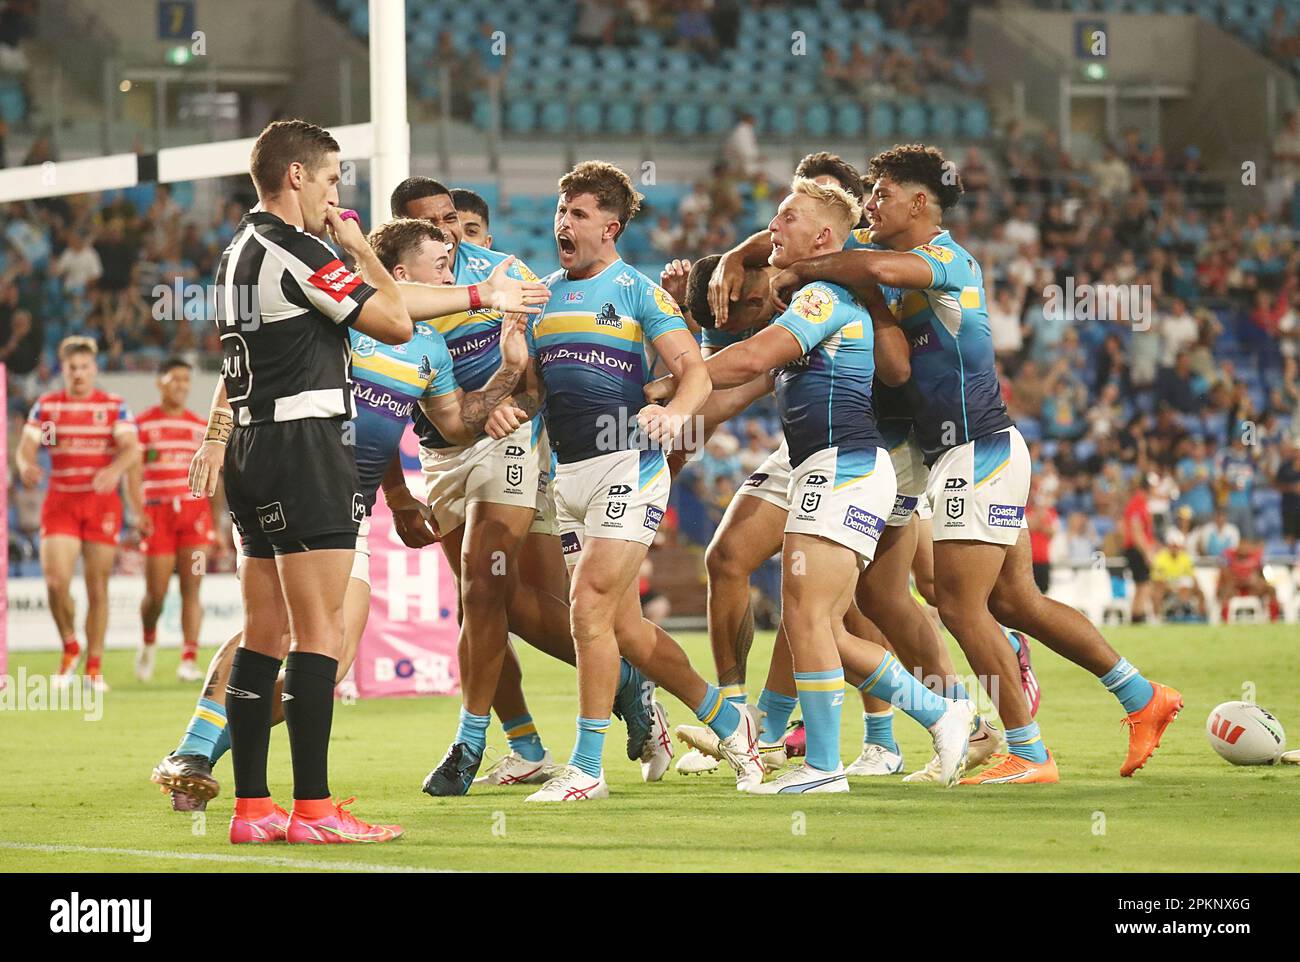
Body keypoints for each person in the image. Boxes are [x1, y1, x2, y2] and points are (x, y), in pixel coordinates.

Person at [765, 143, 1182, 782]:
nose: (871, 203)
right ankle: (1140, 696)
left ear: (920, 202)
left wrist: (809, 265)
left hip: (977, 447)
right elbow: (851, 265)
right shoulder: (888, 266)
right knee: (1016, 601)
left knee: (961, 605)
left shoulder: (945, 259)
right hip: (950, 452)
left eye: (882, 194)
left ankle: (1028, 751)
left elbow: (863, 263)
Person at [185, 119, 548, 846]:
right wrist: (477, 294)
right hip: (305, 443)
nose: (334, 191)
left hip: (255, 446)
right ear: (296, 176)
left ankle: (252, 809)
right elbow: (388, 319)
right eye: (329, 176)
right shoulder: (298, 250)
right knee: (320, 636)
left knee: (263, 636)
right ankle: (315, 811)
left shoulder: (235, 251)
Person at [484, 160, 764, 800]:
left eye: (578, 214)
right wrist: (508, 395)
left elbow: (694, 370)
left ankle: (586, 769)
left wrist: (674, 413)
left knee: (586, 609)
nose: (564, 223)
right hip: (570, 475)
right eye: (561, 212)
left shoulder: (639, 292)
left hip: (627, 466)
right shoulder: (540, 294)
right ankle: (730, 722)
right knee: (628, 631)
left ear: (609, 226)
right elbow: (533, 391)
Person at [386, 177, 658, 795]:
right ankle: (599, 698)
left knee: (483, 585)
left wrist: (522, 406)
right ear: (409, 234)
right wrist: (398, 493)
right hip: (442, 451)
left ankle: (469, 743)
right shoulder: (386, 293)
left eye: (453, 219)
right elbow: (375, 402)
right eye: (433, 226)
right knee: (496, 603)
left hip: (507, 435)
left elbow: (543, 368)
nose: (449, 234)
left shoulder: (502, 276)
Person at [15, 336, 141, 691]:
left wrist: (115, 470)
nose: (79, 374)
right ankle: (71, 645)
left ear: (94, 368)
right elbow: (27, 447)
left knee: (97, 586)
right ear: (64, 370)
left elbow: (131, 448)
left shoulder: (113, 405)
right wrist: (26, 465)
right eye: (72, 368)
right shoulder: (48, 406)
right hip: (61, 503)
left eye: (85, 367)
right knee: (56, 583)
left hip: (101, 504)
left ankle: (94, 668)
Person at [132, 357, 215, 683]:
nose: (181, 385)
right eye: (174, 378)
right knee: (157, 593)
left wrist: (219, 522)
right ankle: (149, 640)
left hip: (195, 518)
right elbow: (133, 471)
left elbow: (214, 478)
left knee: (192, 588)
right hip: (158, 515)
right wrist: (137, 512)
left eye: (186, 379)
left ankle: (189, 659)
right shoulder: (144, 425)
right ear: (160, 382)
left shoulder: (199, 428)